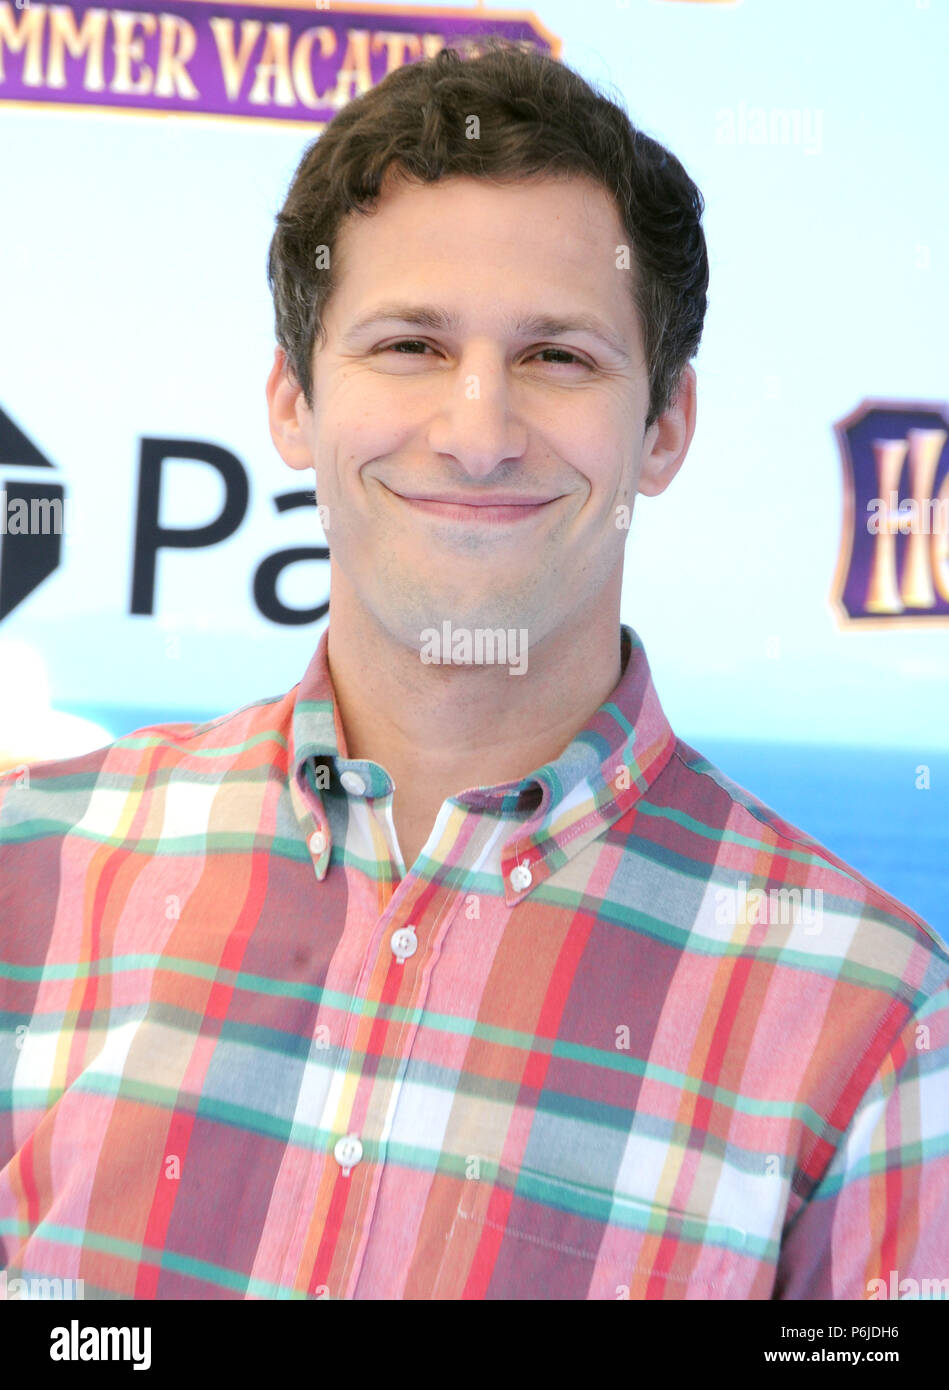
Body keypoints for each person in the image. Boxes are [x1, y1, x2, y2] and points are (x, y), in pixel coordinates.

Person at [1, 38, 946, 1302]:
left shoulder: (872, 1021)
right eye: (408, 346)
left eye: (559, 357)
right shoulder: (35, 876)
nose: (478, 431)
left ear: (663, 426)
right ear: (293, 401)